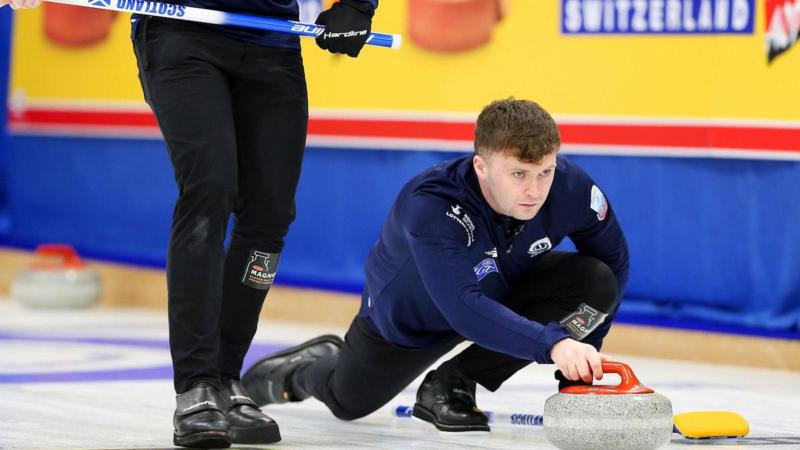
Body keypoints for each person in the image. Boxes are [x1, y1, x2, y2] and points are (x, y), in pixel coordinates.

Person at [2, 0, 379, 447]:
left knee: (270, 212)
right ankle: (196, 386)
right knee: (210, 190)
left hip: (272, 39)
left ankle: (225, 378)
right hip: (181, 31)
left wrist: (357, 5)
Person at [241, 98, 630, 433]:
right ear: (481, 167)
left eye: (545, 171)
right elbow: (463, 308)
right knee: (349, 402)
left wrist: (582, 365)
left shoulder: (570, 188)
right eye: (518, 174)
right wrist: (554, 344)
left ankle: (454, 382)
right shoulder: (431, 205)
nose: (534, 190)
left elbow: (613, 260)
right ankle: (301, 370)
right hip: (413, 321)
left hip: (503, 291)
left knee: (596, 283)